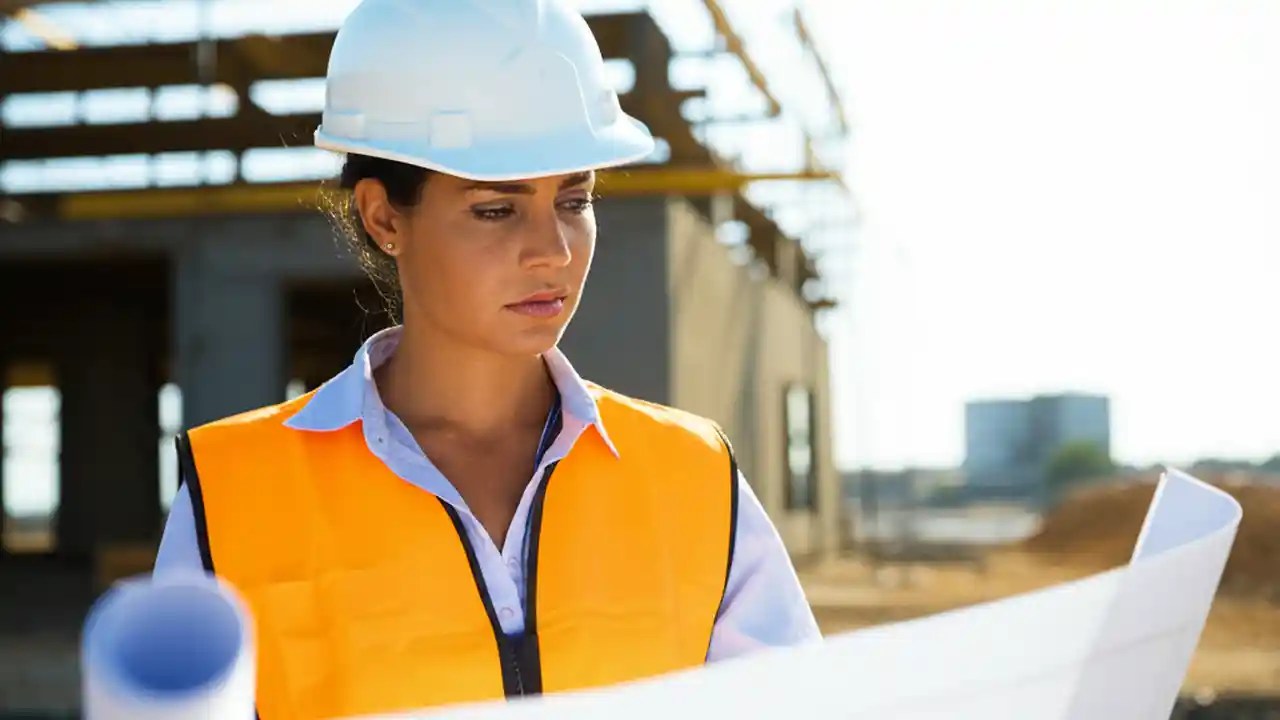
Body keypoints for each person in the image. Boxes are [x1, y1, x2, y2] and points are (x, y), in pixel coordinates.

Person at [153, 0, 819, 717]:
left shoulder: (696, 480)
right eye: (496, 209)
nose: (554, 252)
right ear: (383, 218)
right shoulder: (233, 503)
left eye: (574, 200)